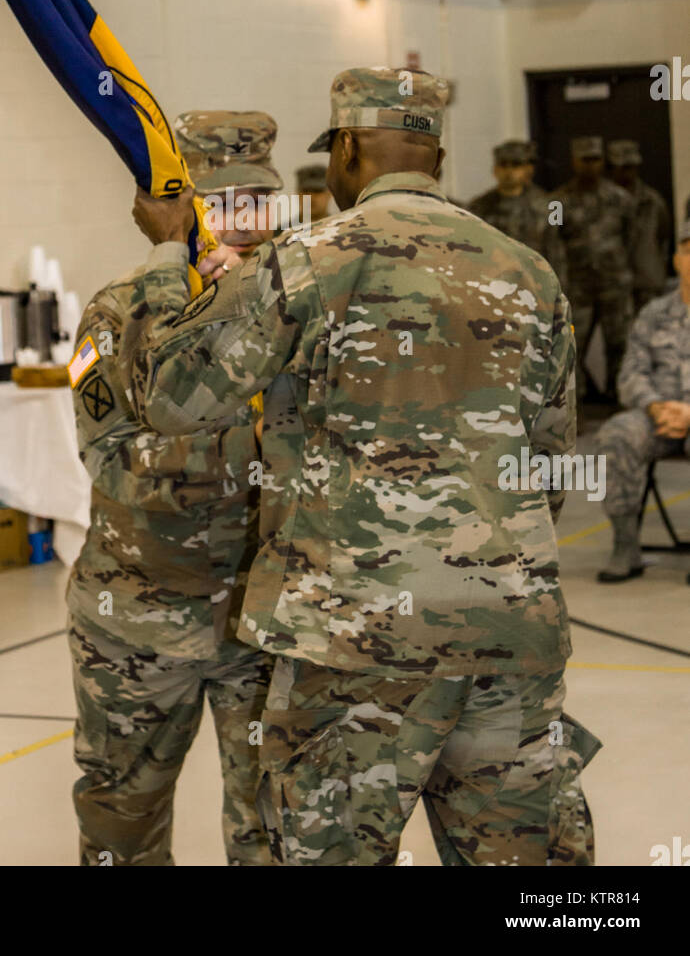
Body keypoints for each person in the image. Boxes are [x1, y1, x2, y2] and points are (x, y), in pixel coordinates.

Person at [101, 67, 600, 867]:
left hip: (353, 644)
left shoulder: (312, 259)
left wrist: (166, 259)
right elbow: (549, 464)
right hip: (509, 633)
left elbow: (173, 397)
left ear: (350, 149)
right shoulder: (528, 271)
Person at [67, 110, 284, 866]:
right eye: (226, 205)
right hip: (137, 618)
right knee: (122, 820)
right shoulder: (120, 311)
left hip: (264, 622)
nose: (249, 226)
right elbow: (114, 464)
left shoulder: (302, 303)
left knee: (273, 828)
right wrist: (248, 446)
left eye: (260, 203)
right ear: (182, 210)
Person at [594, 220, 690, 583]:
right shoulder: (653, 314)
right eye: (687, 250)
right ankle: (626, 545)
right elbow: (630, 373)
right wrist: (654, 406)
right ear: (676, 260)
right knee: (616, 433)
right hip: (658, 416)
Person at [555, 137, 635, 403]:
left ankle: (619, 397)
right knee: (572, 345)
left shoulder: (621, 198)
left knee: (620, 344)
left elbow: (631, 237)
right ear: (574, 161)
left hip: (615, 285)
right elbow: (553, 240)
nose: (591, 166)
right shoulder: (557, 202)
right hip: (577, 288)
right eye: (585, 160)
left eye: (595, 159)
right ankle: (579, 403)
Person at [468, 139, 566, 285]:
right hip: (494, 285)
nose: (509, 171)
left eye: (516, 165)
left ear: (528, 169)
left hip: (536, 285)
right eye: (503, 165)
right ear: (495, 169)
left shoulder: (552, 205)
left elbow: (557, 251)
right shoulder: (478, 207)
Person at [606, 140, 671, 312]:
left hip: (647, 282)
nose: (628, 173)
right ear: (612, 168)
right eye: (623, 167)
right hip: (612, 284)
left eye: (632, 167)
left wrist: (656, 269)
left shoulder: (652, 201)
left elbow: (664, 237)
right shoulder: (602, 202)